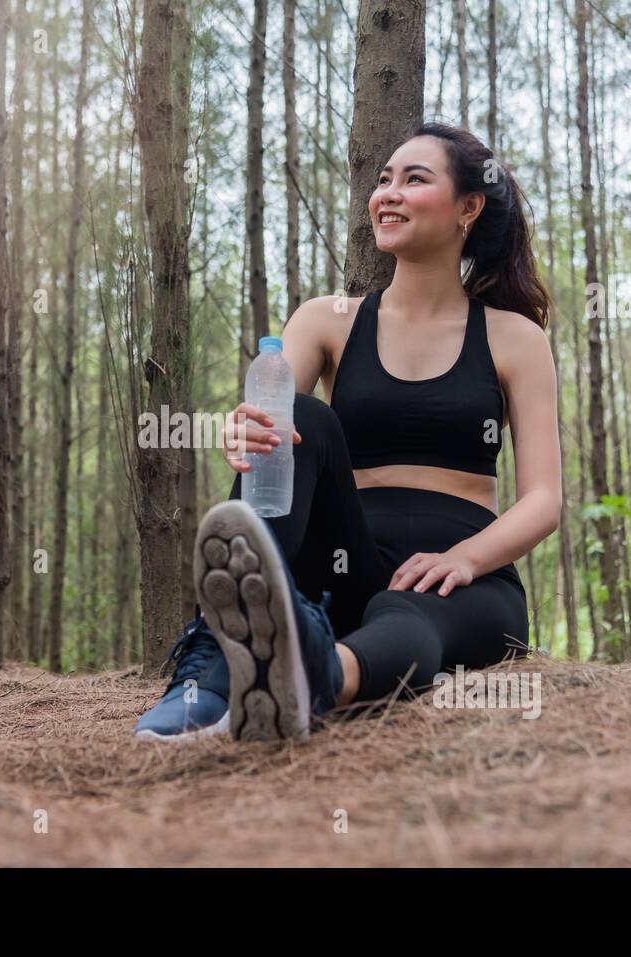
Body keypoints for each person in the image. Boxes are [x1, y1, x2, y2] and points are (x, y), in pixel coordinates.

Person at [134, 122, 562, 742]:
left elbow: (544, 500)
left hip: (465, 576)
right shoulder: (325, 321)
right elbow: (272, 426)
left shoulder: (513, 337)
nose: (388, 192)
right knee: (296, 415)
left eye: (415, 179)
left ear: (469, 207)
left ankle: (312, 674)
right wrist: (242, 431)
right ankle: (214, 673)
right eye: (384, 178)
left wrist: (464, 560)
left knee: (408, 614)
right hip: (344, 560)